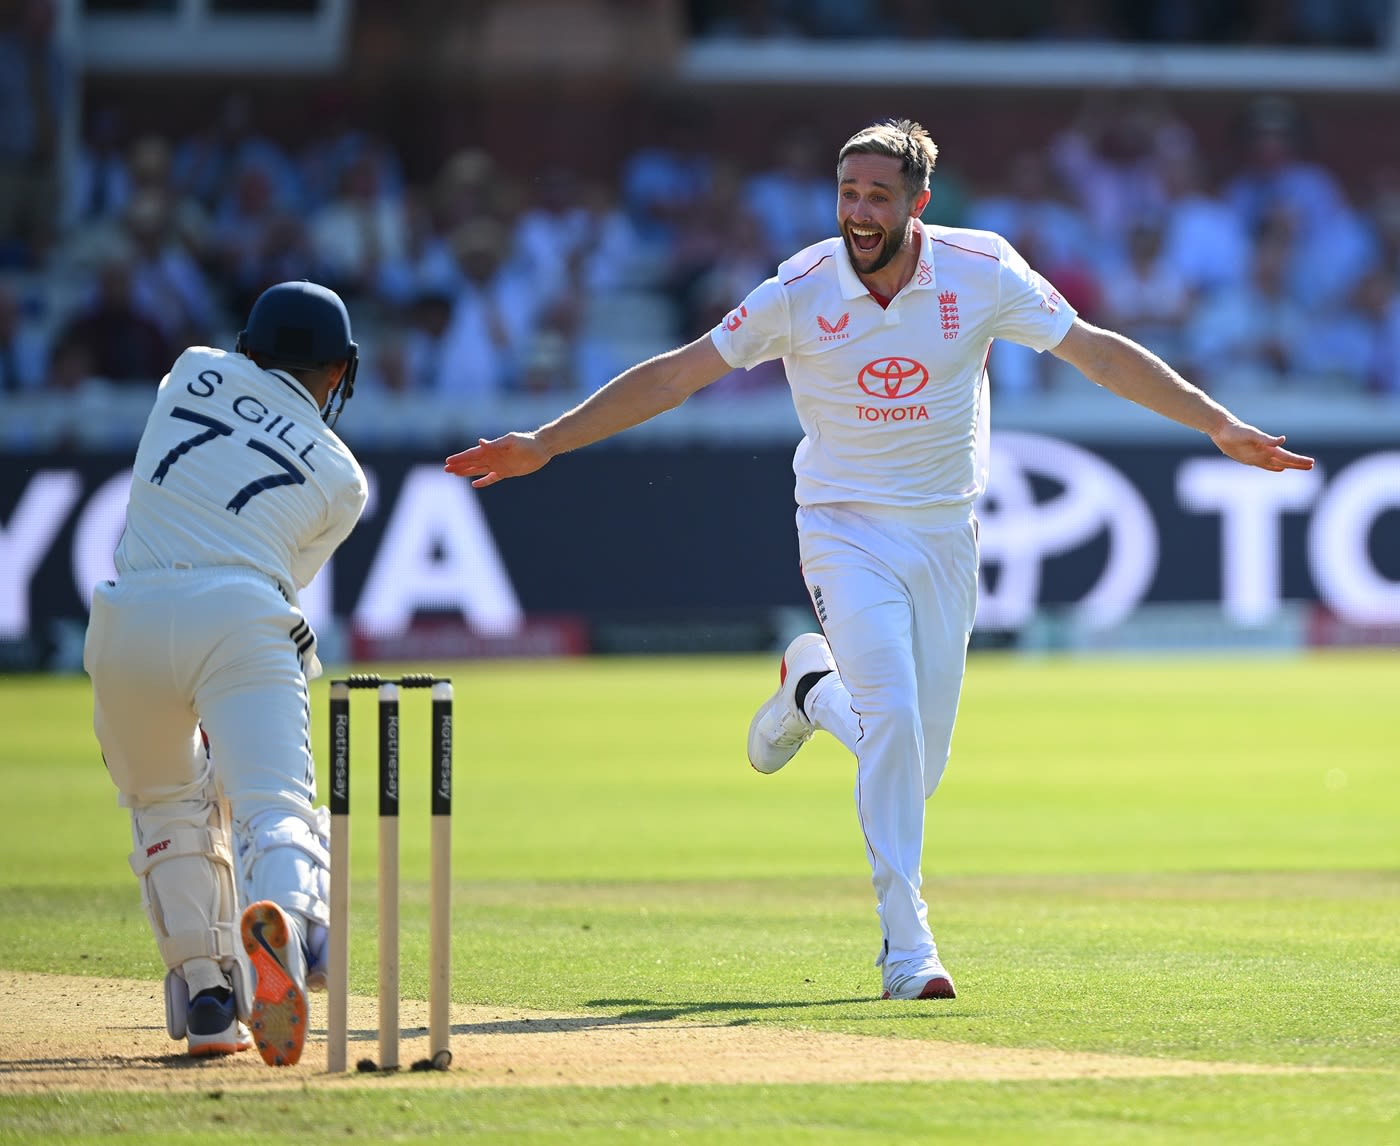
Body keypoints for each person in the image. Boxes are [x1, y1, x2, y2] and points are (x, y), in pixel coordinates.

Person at [443, 119, 1314, 1001]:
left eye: (877, 196)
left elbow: (1092, 350)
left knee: (913, 767)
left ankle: (812, 693)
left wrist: (1215, 422)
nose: (858, 212)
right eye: (847, 193)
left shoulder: (982, 270)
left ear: (917, 205)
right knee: (892, 722)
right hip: (842, 526)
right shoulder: (801, 287)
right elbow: (676, 375)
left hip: (946, 534)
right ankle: (908, 949)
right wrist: (546, 443)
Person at [83, 281, 368, 1064]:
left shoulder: (191, 371)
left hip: (126, 620)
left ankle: (207, 1001)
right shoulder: (343, 480)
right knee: (271, 806)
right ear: (341, 370)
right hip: (242, 618)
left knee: (164, 806)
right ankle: (289, 931)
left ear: (249, 345)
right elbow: (282, 578)